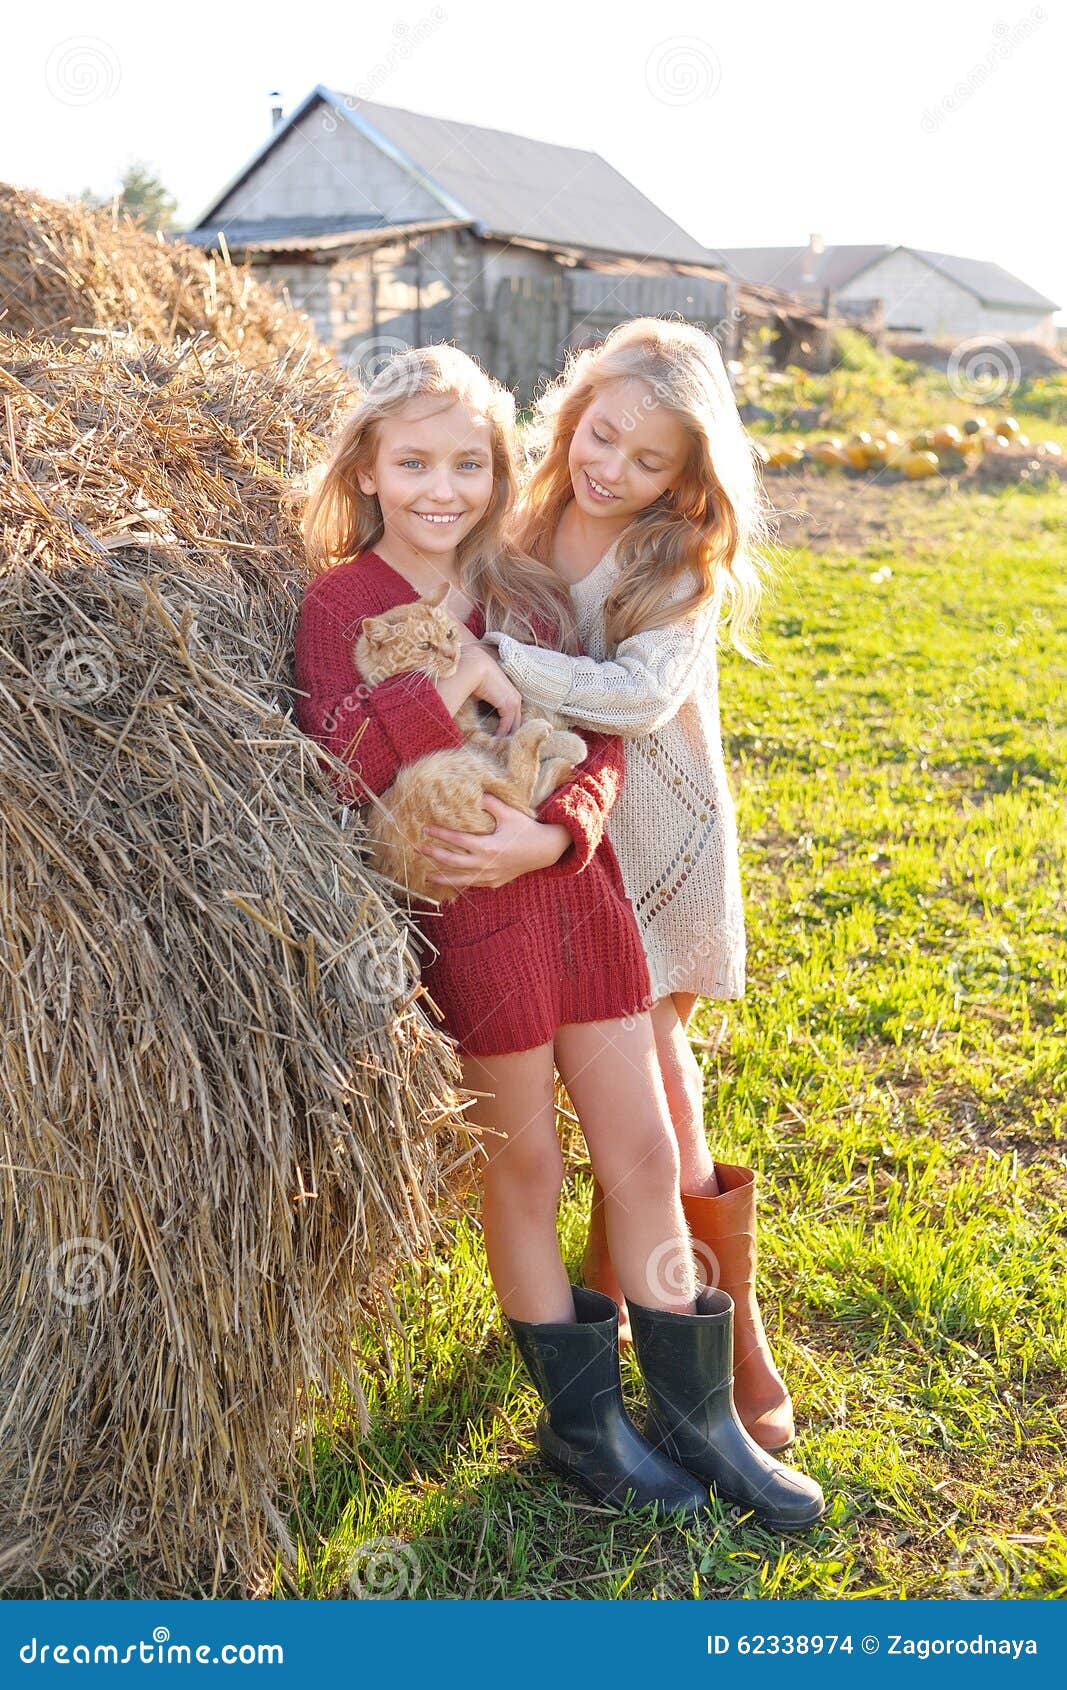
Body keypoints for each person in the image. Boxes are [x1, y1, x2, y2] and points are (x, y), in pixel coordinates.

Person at [292, 342, 822, 1531]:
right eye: (415, 462)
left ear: (497, 471)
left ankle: (702, 1420)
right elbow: (346, 751)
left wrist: (557, 835)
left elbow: (600, 748)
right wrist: (445, 690)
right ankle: (582, 1430)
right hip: (474, 923)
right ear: (368, 469)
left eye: (468, 463)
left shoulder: (519, 591)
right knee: (522, 1165)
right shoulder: (340, 605)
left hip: (577, 902)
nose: (443, 488)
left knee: (639, 1155)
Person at [427, 317, 794, 1455]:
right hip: (558, 841)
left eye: (650, 463)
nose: (615, 471)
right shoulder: (522, 521)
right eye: (603, 437)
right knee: (594, 1087)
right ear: (571, 408)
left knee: (658, 1094)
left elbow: (633, 698)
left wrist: (500, 667)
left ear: (688, 477)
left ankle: (728, 1356)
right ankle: (606, 1308)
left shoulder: (674, 559)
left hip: (657, 846)